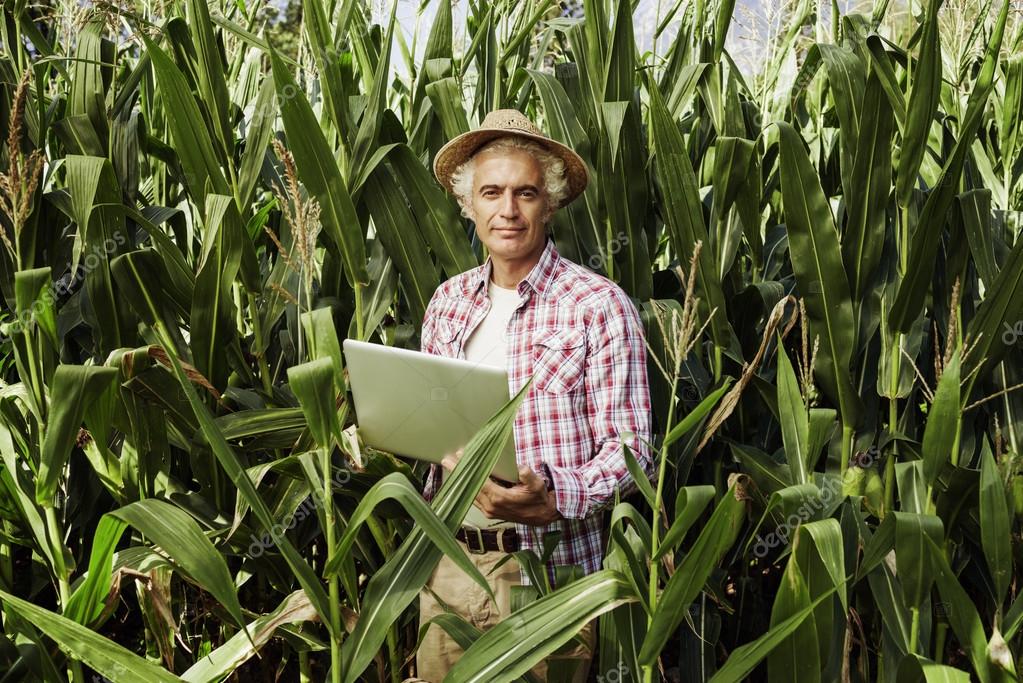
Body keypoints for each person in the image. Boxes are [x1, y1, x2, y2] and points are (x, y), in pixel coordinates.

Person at [413, 109, 653, 683]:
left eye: (526, 193)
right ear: (468, 205)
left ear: (551, 203)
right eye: (491, 192)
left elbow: (634, 448)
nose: (508, 209)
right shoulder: (445, 305)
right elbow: (429, 422)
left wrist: (556, 494)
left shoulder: (598, 304)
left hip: (549, 570)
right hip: (449, 564)